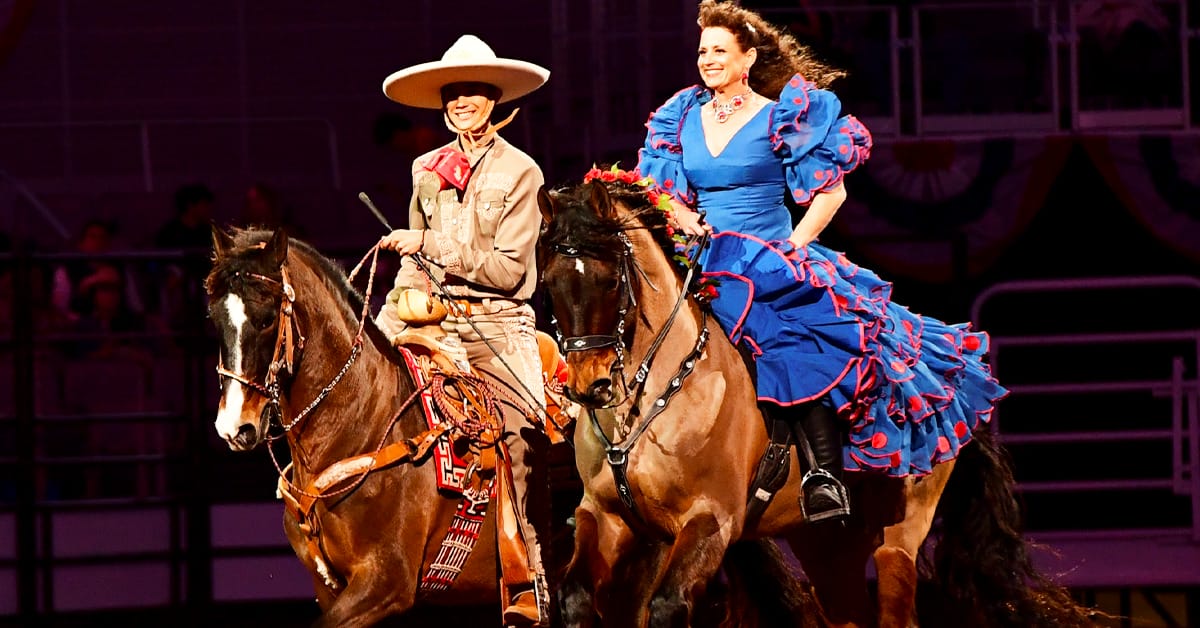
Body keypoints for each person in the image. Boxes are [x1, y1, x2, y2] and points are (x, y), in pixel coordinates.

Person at [636, 0, 1007, 523]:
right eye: (702, 51)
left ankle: (821, 475)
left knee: (794, 345)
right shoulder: (679, 116)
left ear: (747, 59)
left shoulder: (779, 117)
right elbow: (662, 187)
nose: (708, 59)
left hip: (768, 259)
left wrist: (795, 245)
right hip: (701, 255)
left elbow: (830, 196)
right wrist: (683, 216)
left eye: (720, 50)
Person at [373, 35, 551, 626]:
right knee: (360, 380)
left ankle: (530, 579)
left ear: (495, 98)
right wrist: (401, 289)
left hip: (496, 324)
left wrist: (430, 245)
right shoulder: (425, 167)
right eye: (452, 92)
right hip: (429, 314)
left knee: (519, 440)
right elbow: (411, 251)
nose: (460, 101)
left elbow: (507, 268)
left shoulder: (521, 170)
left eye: (471, 90)